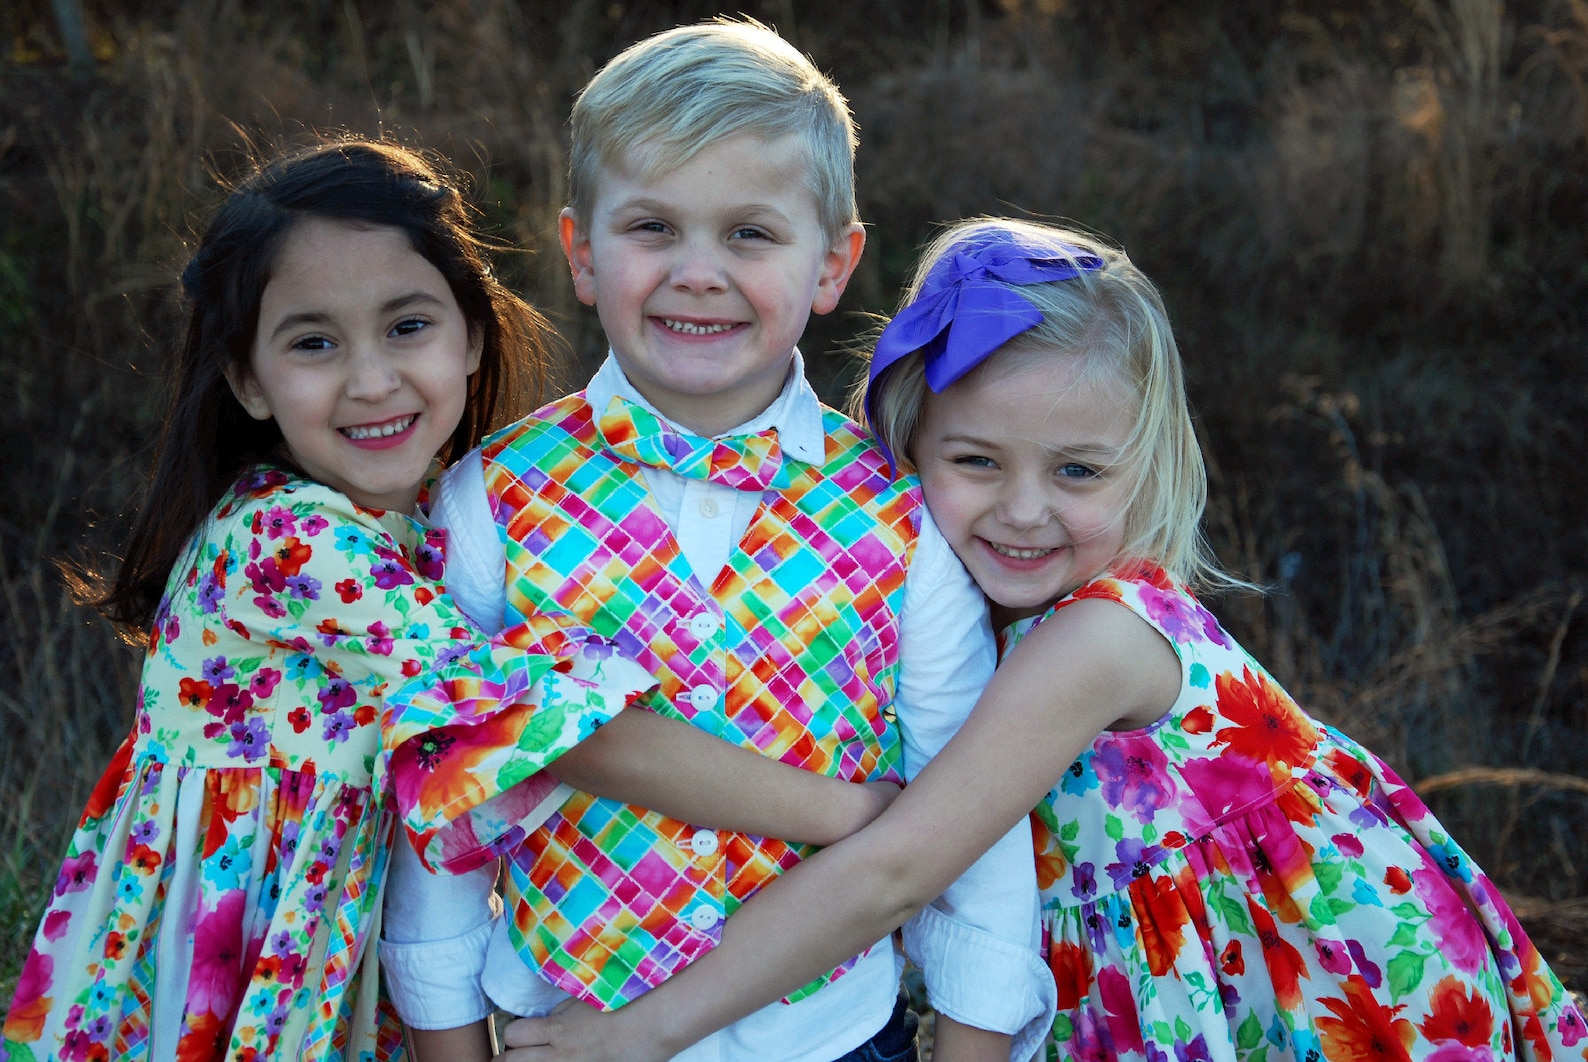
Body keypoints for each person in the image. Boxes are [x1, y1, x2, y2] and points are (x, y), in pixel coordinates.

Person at [496, 218, 1588, 1062]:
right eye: (975, 462)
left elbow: (896, 867)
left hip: (1310, 993)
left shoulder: (1100, 639)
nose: (1023, 512)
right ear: (902, 446)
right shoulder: (950, 610)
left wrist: (647, 1030)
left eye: (1075, 472)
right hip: (1163, 984)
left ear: (1146, 464)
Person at [0, 136, 898, 1062]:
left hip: (316, 942)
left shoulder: (414, 515)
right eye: (314, 342)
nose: (373, 379)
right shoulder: (294, 542)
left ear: (471, 335)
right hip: (236, 959)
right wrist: (856, 818)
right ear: (245, 380)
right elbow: (567, 731)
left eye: (407, 327)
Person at [379, 19, 1055, 1062]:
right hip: (559, 1024)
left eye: (750, 234)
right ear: (582, 255)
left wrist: (970, 1041)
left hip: (827, 1036)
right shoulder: (488, 500)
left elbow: (967, 808)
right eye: (652, 228)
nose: (699, 272)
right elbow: (445, 807)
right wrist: (447, 1040)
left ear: (832, 265)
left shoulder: (902, 513)